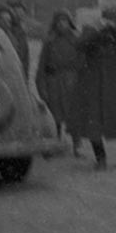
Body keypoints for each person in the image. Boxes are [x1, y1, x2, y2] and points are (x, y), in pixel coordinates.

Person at [72, 4, 116, 171]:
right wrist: (96, 31)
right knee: (93, 122)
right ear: (103, 17)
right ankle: (100, 158)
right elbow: (79, 45)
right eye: (110, 18)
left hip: (112, 83)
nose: (112, 22)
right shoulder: (91, 29)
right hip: (92, 82)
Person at [35, 11, 82, 155]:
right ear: (55, 24)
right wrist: (42, 87)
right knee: (54, 116)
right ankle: (54, 144)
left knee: (74, 116)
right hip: (53, 82)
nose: (63, 25)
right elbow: (42, 66)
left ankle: (77, 146)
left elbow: (82, 63)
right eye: (59, 22)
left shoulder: (76, 40)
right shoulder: (49, 41)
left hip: (71, 82)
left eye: (65, 21)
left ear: (70, 23)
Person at [0, 3, 30, 81]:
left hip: (13, 76)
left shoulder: (15, 37)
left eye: (8, 20)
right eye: (3, 20)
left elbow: (23, 59)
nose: (6, 23)